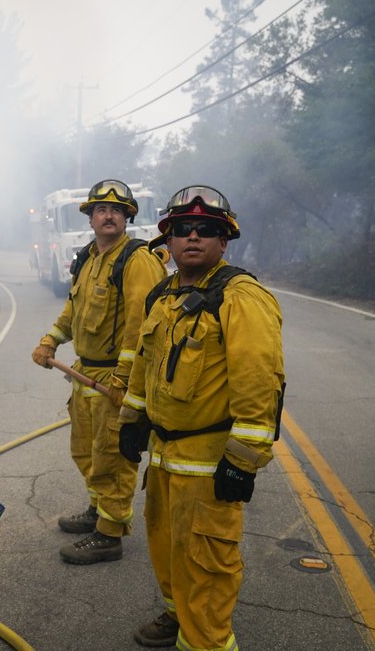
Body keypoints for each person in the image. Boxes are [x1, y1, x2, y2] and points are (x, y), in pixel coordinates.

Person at [118, 185, 285, 649]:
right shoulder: (161, 295)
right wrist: (133, 418)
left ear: (224, 241)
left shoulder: (241, 296)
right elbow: (143, 364)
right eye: (183, 229)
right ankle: (177, 615)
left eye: (206, 230)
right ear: (167, 241)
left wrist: (244, 458)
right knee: (167, 548)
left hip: (210, 463)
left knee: (207, 564)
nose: (193, 237)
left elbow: (259, 384)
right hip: (165, 456)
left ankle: (206, 641)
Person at [31, 179, 166, 564]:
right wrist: (49, 341)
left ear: (128, 218)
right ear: (90, 218)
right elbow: (73, 311)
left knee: (113, 457)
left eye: (117, 210)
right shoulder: (89, 258)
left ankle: (109, 534)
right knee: (87, 452)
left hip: (114, 379)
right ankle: (97, 512)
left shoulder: (136, 260)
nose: (109, 215)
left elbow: (141, 324)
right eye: (101, 210)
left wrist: (125, 378)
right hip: (84, 375)